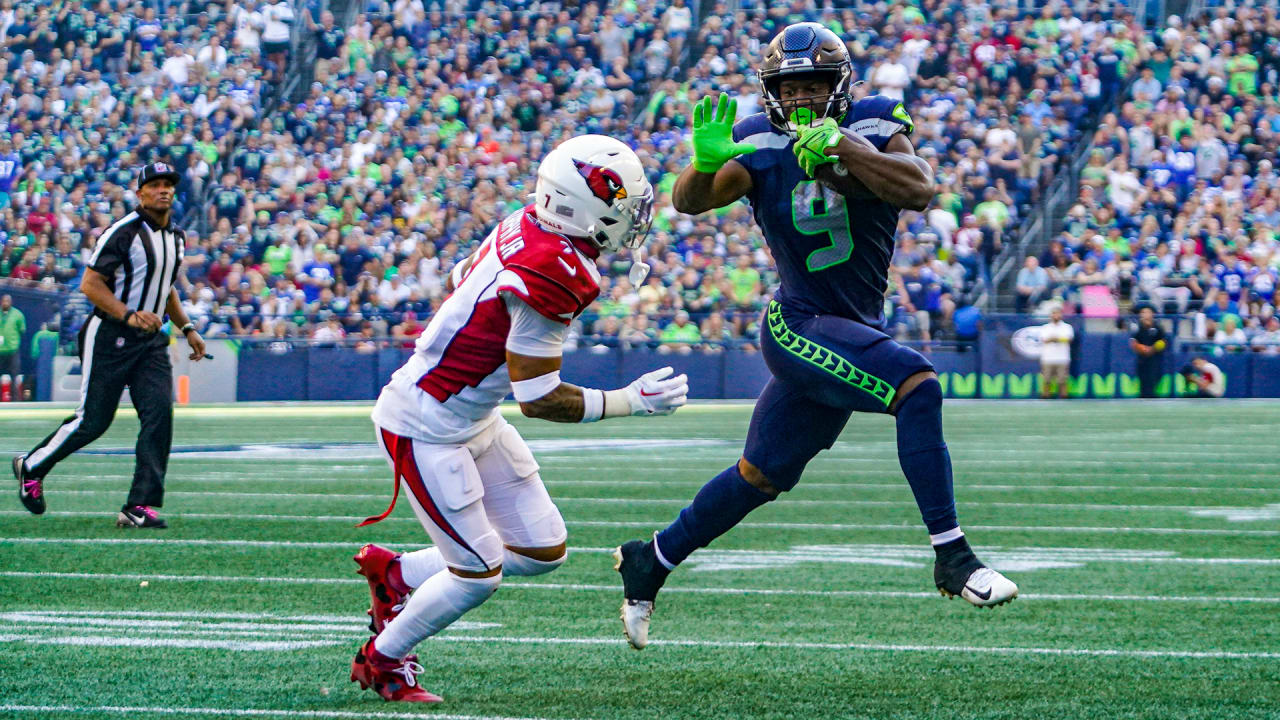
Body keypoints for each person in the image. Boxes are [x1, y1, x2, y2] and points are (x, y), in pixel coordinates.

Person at [612, 23, 1017, 651]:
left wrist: (846, 149)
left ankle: (651, 560)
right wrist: (705, 161)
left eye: (814, 86)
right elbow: (690, 202)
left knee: (759, 475)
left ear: (842, 86)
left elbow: (919, 187)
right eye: (790, 88)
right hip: (797, 324)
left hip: (849, 328)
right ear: (772, 91)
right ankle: (954, 556)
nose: (801, 99)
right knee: (917, 386)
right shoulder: (759, 142)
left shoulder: (878, 123)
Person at [348, 136, 688, 702]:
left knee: (540, 548)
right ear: (582, 203)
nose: (632, 215)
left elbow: (463, 276)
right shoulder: (552, 267)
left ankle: (397, 576)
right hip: (424, 425)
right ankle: (382, 659)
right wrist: (632, 400)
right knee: (478, 573)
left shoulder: (529, 223)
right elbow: (539, 398)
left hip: (470, 416)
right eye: (621, 202)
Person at [12, 163, 207, 527]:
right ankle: (33, 465)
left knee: (159, 415)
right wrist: (129, 314)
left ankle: (139, 506)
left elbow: (165, 287)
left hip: (150, 340)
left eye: (168, 185)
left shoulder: (177, 237)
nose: (163, 190)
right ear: (140, 193)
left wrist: (188, 327)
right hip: (110, 335)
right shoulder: (122, 232)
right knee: (94, 421)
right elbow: (90, 284)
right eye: (155, 185)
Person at [1130, 307, 1167, 398]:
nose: (1145, 314)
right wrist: (1142, 348)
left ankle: (1152, 396)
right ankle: (1142, 397)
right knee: (1143, 379)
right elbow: (1133, 343)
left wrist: (1153, 348)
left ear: (1152, 314)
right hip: (1142, 359)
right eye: (1143, 312)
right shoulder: (1137, 327)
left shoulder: (1158, 327)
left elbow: (1163, 342)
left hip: (1155, 359)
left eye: (1148, 312)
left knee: (1153, 378)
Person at [1038, 306, 1073, 399]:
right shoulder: (1045, 327)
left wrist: (1055, 338)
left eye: (1058, 313)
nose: (1056, 315)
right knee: (1046, 379)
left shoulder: (1067, 327)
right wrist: (1058, 338)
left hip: (1062, 357)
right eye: (1054, 313)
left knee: (1062, 379)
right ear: (1050, 315)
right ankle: (1045, 395)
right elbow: (1045, 340)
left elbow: (1068, 339)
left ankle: (1064, 395)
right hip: (1048, 358)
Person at [0, 294, 25, 397]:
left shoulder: (18, 314)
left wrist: (13, 340)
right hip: (0, 350)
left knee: (14, 376)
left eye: (7, 301)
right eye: (4, 301)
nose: (5, 303)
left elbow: (21, 330)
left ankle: (15, 401)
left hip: (12, 350)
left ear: (11, 302)